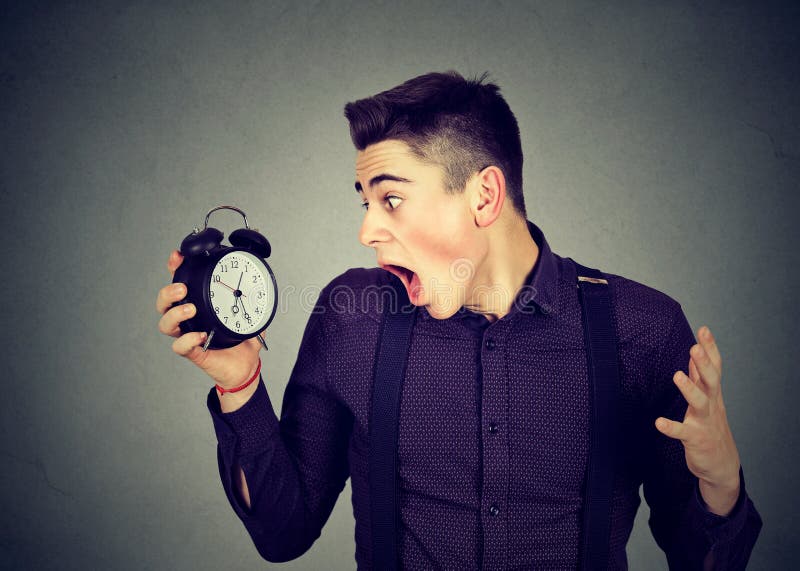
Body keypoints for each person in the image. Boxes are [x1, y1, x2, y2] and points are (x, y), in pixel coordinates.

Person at [155, 71, 762, 569]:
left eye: (390, 198)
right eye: (365, 202)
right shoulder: (351, 321)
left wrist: (722, 484)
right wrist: (238, 384)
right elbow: (282, 533)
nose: (367, 229)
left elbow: (701, 558)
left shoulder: (642, 330)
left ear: (484, 196)